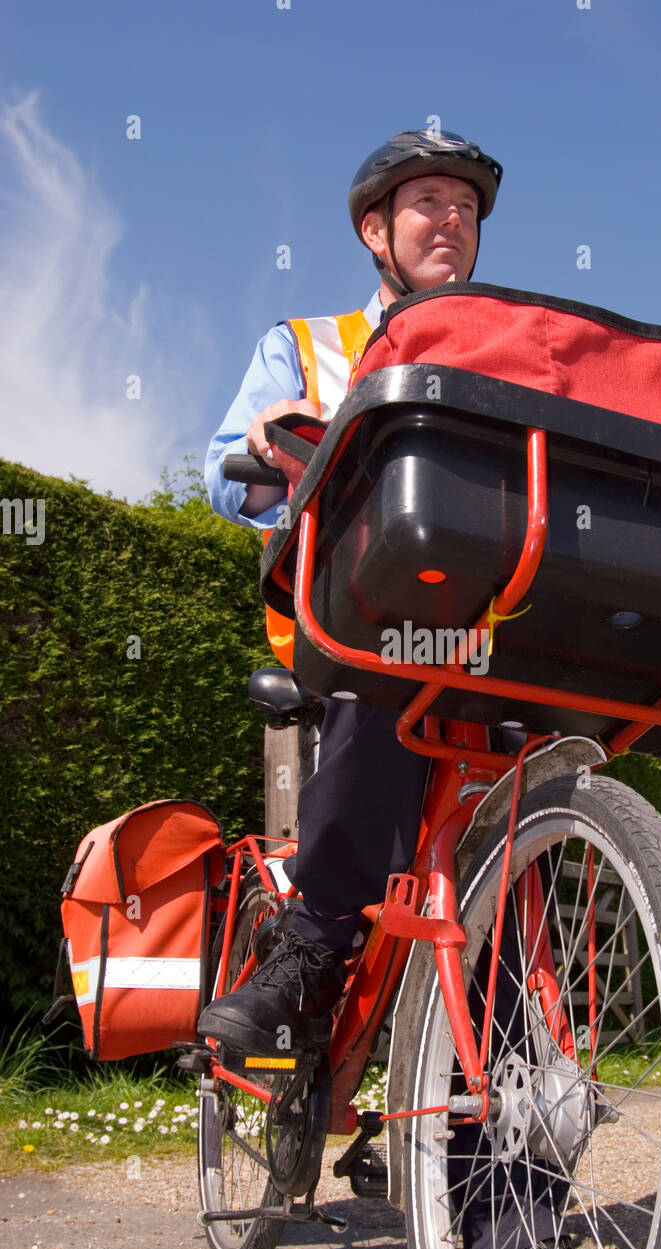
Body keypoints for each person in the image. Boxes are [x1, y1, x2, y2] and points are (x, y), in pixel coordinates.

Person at [200, 129, 502, 1057]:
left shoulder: (506, 351)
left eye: (466, 206)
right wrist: (272, 448)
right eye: (428, 202)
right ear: (376, 230)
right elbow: (223, 472)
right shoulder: (307, 344)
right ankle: (315, 941)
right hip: (345, 624)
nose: (451, 218)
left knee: (526, 775)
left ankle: (481, 1111)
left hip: (486, 631)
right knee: (381, 679)